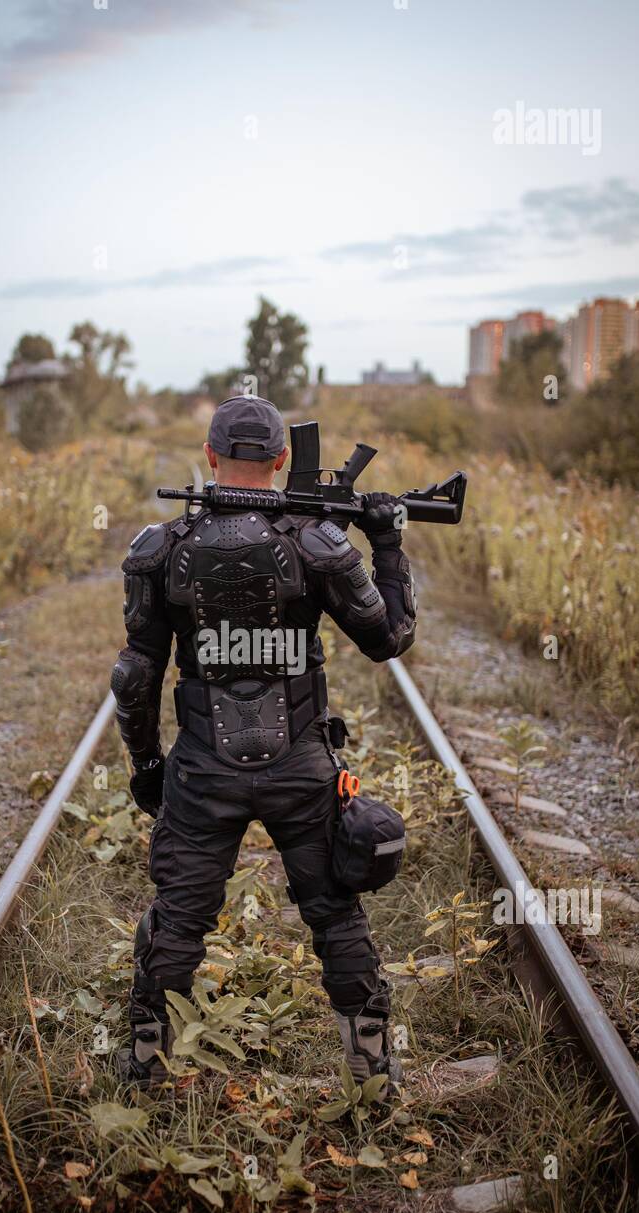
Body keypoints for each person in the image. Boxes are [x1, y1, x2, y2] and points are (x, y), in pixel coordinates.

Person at [111, 396, 416, 1092]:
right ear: (281, 460)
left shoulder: (161, 548)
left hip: (201, 772)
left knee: (179, 919)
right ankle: (371, 1070)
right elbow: (389, 639)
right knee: (335, 915)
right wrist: (389, 543)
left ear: (211, 455)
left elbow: (134, 677)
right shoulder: (318, 545)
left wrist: (148, 768)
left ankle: (144, 1070)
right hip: (301, 766)